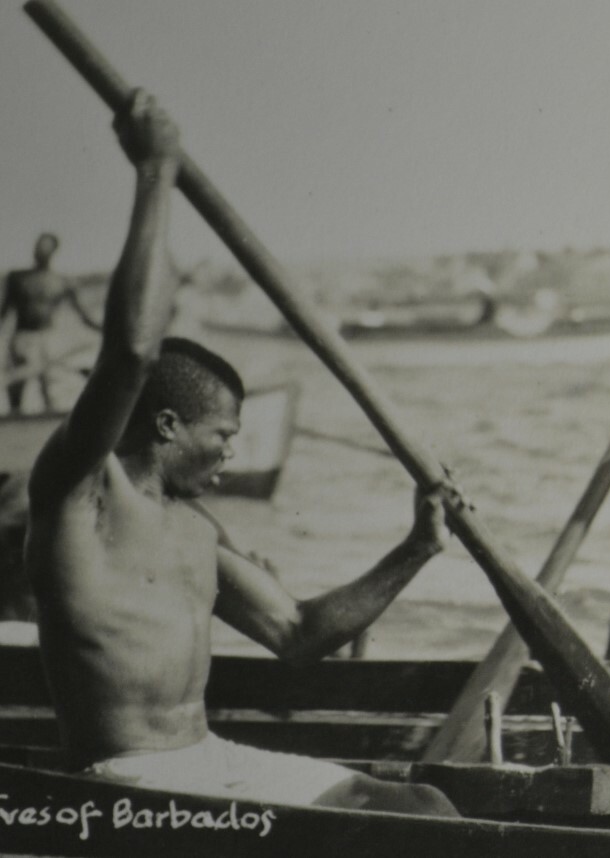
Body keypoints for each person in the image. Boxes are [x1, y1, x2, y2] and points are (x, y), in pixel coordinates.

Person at [27, 91, 456, 815]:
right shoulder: (80, 491)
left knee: (425, 809)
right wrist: (154, 172)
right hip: (126, 779)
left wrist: (418, 546)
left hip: (205, 761)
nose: (231, 456)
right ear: (166, 426)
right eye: (223, 437)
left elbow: (297, 634)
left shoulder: (199, 530)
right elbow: (130, 351)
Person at [3, 232, 102, 413]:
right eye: (38, 246)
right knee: (16, 390)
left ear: (53, 251)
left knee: (50, 390)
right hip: (22, 339)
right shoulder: (18, 279)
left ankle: (49, 432)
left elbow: (83, 314)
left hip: (47, 341)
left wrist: (105, 328)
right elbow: (4, 313)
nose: (40, 250)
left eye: (45, 247)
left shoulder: (61, 282)